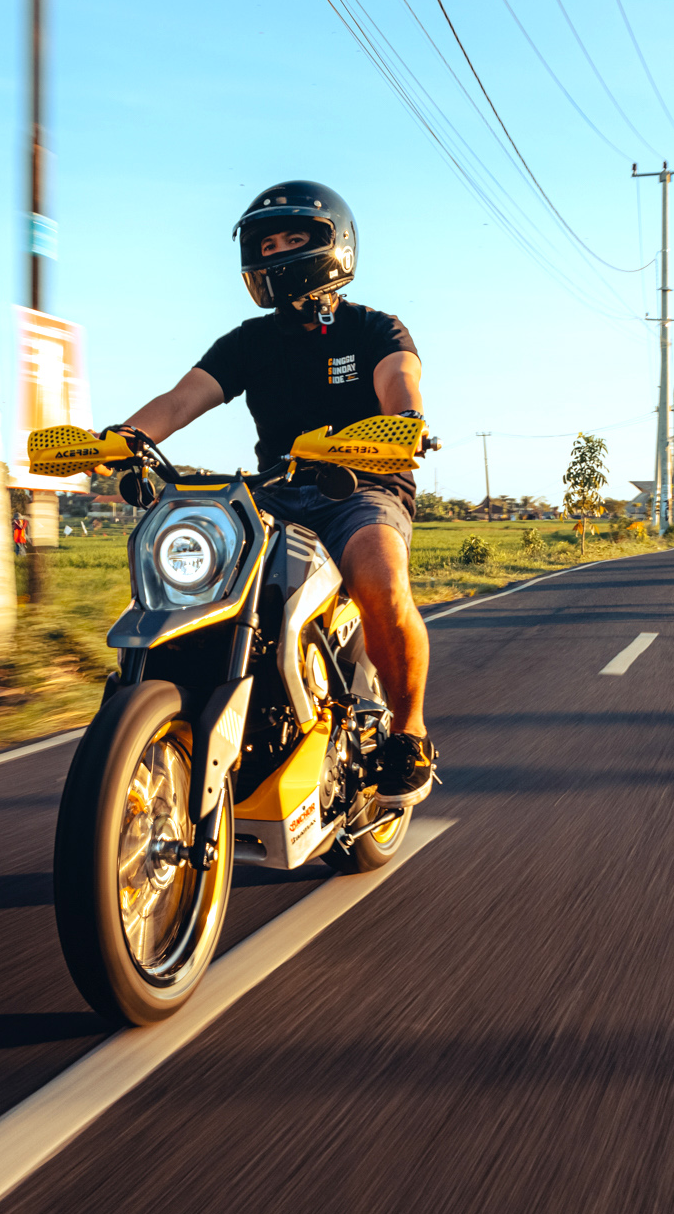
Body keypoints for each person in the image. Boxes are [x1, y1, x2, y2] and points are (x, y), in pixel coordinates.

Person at [114, 181, 437, 807]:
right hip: (276, 494)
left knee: (381, 582)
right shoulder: (250, 342)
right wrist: (126, 438)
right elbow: (182, 400)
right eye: (266, 242)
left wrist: (406, 424)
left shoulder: (373, 328)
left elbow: (400, 377)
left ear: (331, 245)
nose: (276, 251)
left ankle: (410, 731)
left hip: (361, 488)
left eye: (293, 238)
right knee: (196, 575)